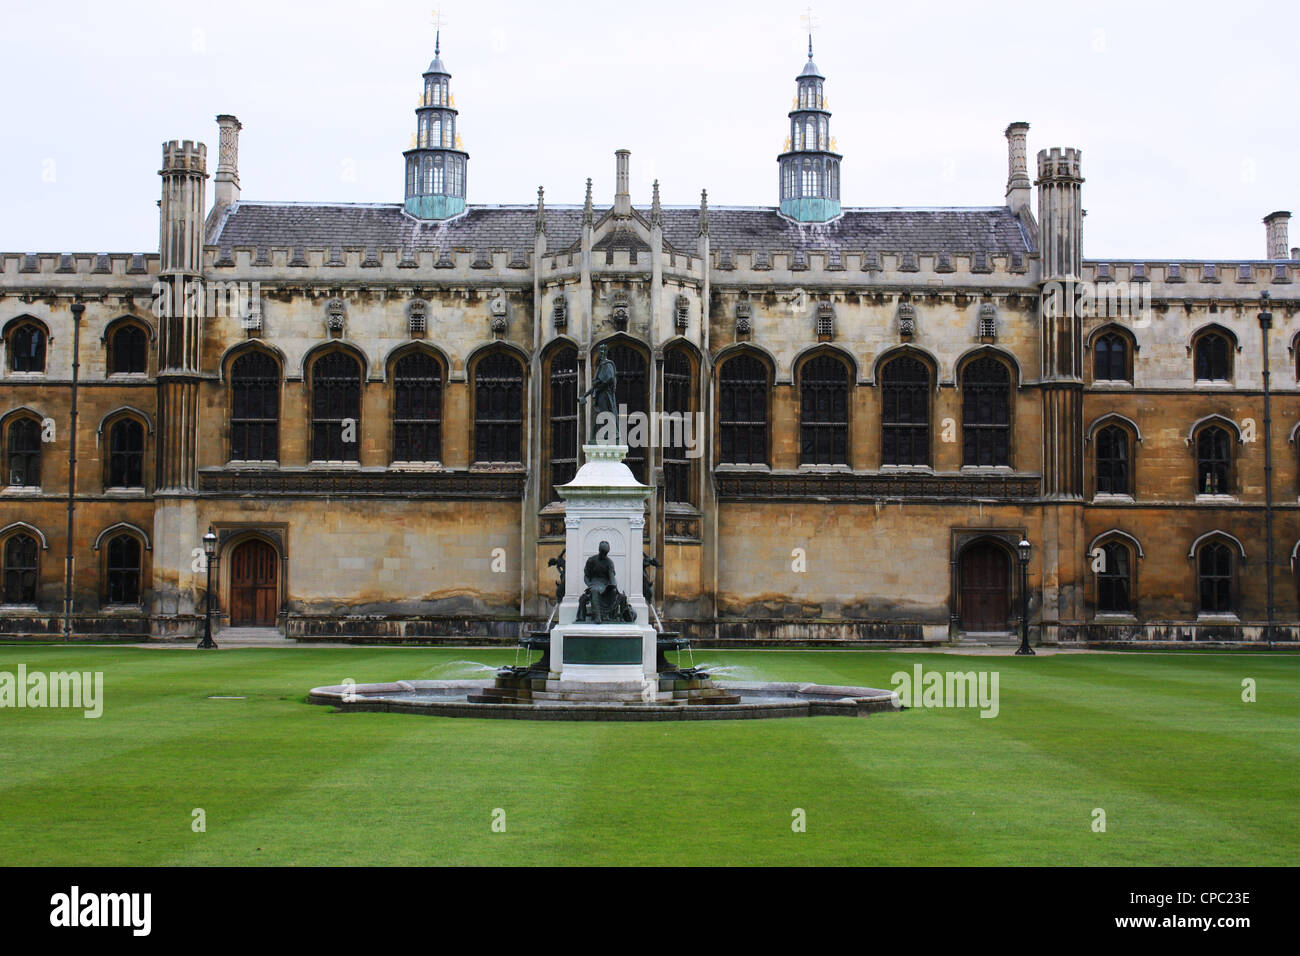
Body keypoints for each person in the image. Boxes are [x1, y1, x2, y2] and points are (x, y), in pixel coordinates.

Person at [581, 344, 618, 442]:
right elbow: (595, 386)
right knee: (600, 414)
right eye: (599, 351)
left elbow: (608, 379)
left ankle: (608, 434)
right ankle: (602, 434)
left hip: (605, 395)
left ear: (606, 352)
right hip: (600, 395)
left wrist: (598, 384)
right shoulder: (601, 365)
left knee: (605, 413)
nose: (600, 353)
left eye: (602, 351)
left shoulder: (608, 364)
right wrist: (584, 395)